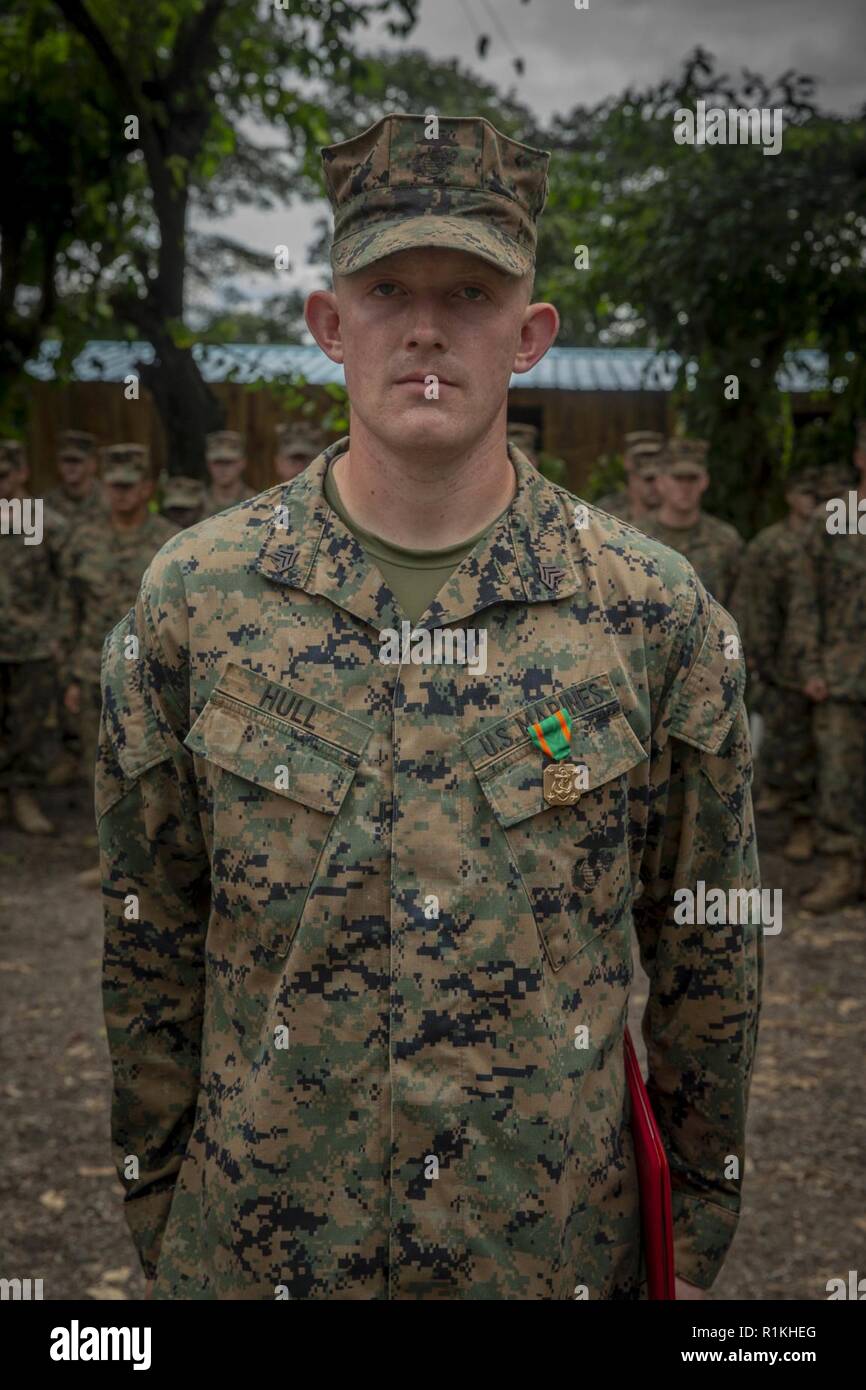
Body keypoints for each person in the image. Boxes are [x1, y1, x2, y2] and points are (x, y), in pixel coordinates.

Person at [97, 112, 762, 1302]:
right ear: (327, 324)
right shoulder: (196, 601)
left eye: (469, 290)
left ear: (529, 335)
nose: (423, 325)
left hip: (542, 1247)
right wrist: (160, 1198)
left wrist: (694, 1219)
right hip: (264, 1248)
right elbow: (150, 935)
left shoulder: (649, 611)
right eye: (387, 285)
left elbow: (704, 935)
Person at [60, 444, 177, 885]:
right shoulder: (83, 539)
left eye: (130, 487)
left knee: (149, 769)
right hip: (92, 668)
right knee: (100, 769)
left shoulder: (169, 541)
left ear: (146, 488)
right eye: (113, 486)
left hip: (148, 676)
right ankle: (107, 859)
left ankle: (152, 863)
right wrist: (70, 673)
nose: (121, 495)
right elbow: (69, 609)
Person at [789, 424, 866, 912]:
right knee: (838, 779)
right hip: (842, 674)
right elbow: (805, 601)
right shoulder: (836, 517)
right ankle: (844, 869)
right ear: (860, 455)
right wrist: (810, 665)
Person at [734, 470, 820, 860]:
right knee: (788, 746)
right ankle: (795, 822)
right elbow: (754, 603)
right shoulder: (772, 544)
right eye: (806, 492)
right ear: (789, 496)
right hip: (781, 663)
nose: (813, 502)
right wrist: (754, 654)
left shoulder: (836, 540)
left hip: (832, 661)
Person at [0, 441, 68, 834]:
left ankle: (22, 794)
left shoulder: (42, 521)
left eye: (4, 475)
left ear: (21, 473)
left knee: (29, 726)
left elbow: (70, 581)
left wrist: (57, 632)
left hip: (31, 643)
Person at [643, 439, 743, 608]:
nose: (685, 487)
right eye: (678, 478)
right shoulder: (636, 537)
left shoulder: (725, 541)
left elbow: (740, 606)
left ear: (704, 481)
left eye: (692, 479)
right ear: (660, 482)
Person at [596, 431, 663, 525]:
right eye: (642, 455)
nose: (648, 461)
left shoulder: (670, 509)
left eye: (653, 455)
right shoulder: (605, 509)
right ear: (627, 461)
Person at [44, 429, 107, 526]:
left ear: (92, 464)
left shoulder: (108, 501)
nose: (70, 467)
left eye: (76, 461)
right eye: (66, 461)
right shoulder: (46, 504)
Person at [200, 430, 253, 517]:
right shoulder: (196, 504)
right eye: (218, 462)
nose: (223, 469)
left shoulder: (256, 502)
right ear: (208, 464)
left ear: (242, 463)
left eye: (229, 462)